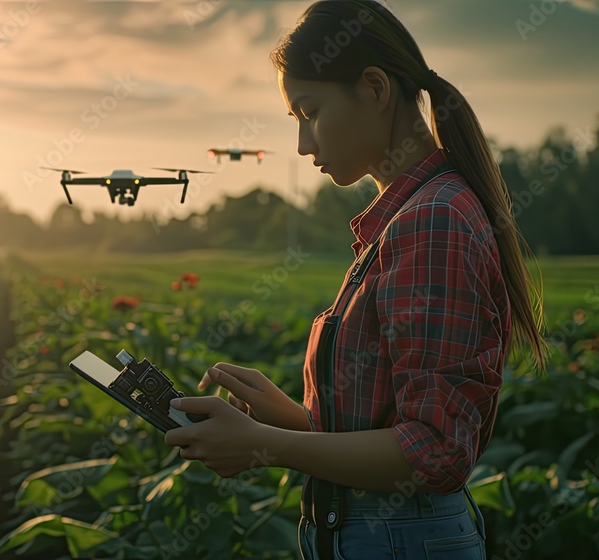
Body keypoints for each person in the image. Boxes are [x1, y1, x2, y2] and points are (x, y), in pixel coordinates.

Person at [164, 1, 547, 558]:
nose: (303, 143)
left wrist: (266, 446)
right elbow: (397, 429)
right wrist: (291, 421)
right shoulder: (409, 216)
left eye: (310, 111)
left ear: (373, 88)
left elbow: (435, 452)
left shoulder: (431, 220)